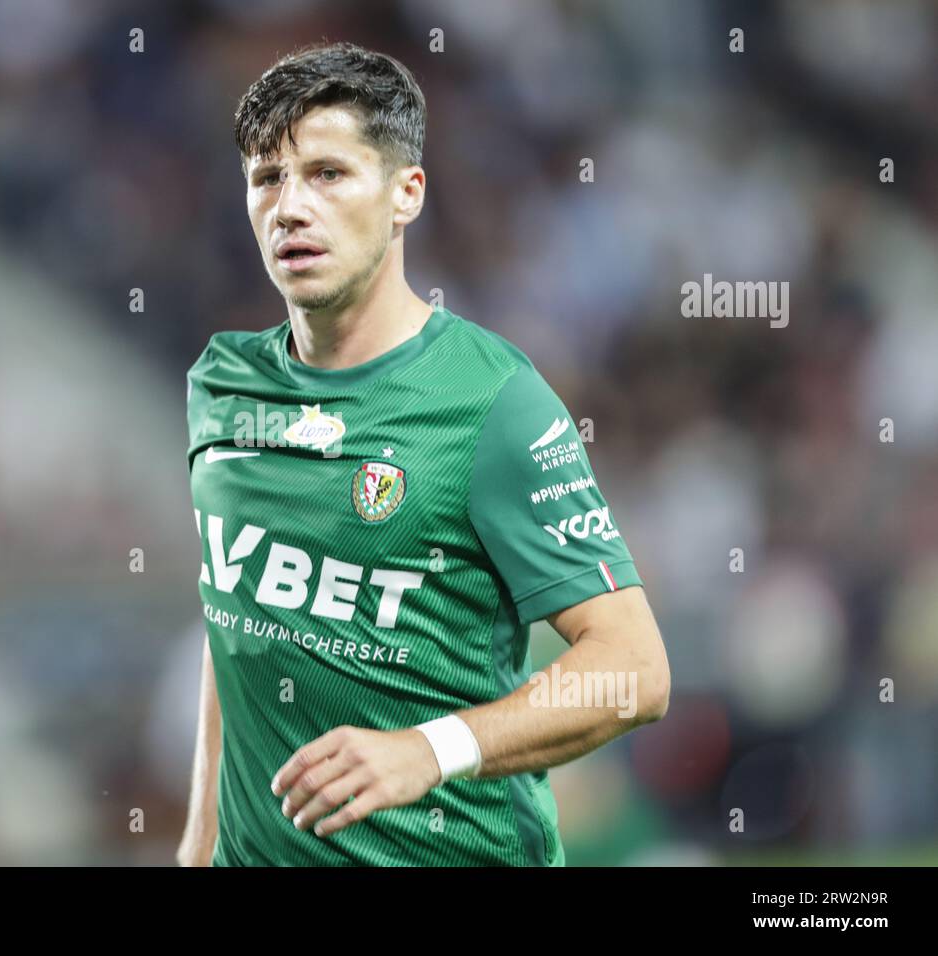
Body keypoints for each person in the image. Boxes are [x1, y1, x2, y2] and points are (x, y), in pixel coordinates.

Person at [178, 41, 670, 866]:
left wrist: (427, 749)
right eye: (267, 179)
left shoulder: (494, 403)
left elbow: (635, 669)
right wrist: (197, 850)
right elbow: (236, 623)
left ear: (406, 194)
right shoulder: (222, 386)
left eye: (328, 174)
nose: (291, 207)